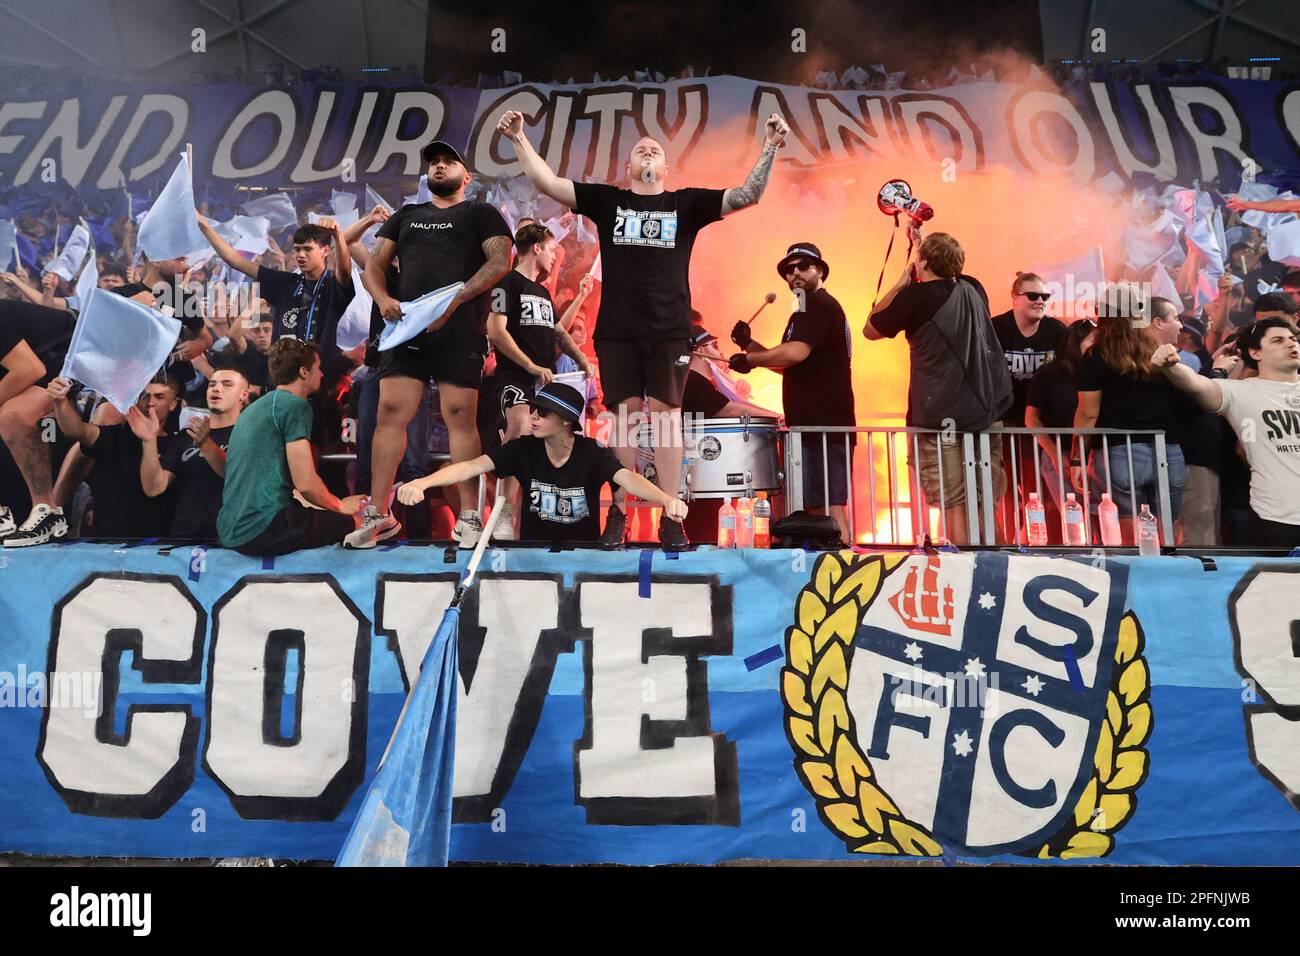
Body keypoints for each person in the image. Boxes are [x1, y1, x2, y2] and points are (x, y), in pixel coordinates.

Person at [499, 108, 790, 550]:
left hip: (669, 330)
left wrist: (770, 146)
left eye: (656, 148)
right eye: (640, 149)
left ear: (666, 169)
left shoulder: (685, 202)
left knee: (668, 421)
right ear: (630, 168)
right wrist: (520, 139)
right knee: (625, 422)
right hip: (617, 331)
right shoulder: (608, 200)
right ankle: (619, 513)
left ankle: (672, 514)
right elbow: (548, 183)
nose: (648, 149)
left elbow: (748, 194)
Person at [347, 139, 513, 550]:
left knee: (460, 416)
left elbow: (500, 261)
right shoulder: (407, 215)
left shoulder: (481, 212)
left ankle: (470, 517)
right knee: (390, 412)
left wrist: (454, 301)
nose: (439, 166)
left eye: (448, 161)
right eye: (434, 162)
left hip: (460, 329)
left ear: (466, 176)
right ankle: (378, 515)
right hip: (406, 328)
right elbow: (375, 265)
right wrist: (384, 300)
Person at [397, 382, 687, 545]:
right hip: (532, 558)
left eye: (543, 413)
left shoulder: (592, 451)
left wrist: (667, 500)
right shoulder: (523, 449)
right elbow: (471, 467)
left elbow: (628, 478)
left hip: (581, 558)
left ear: (566, 421)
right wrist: (423, 482)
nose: (533, 417)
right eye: (534, 410)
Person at [864, 228, 1012, 545]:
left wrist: (902, 282)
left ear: (924, 261)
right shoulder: (974, 288)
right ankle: (997, 571)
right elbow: (946, 273)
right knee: (985, 503)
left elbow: (871, 329)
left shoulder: (915, 297)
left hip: (940, 419)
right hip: (986, 412)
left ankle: (964, 575)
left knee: (954, 503)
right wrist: (922, 245)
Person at [730, 242, 855, 543]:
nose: (795, 273)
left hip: (825, 425)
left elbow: (794, 354)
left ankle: (845, 561)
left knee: (830, 505)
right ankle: (827, 566)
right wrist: (749, 347)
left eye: (803, 266)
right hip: (814, 426)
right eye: (789, 269)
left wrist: (750, 359)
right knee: (817, 506)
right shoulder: (805, 309)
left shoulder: (815, 304)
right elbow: (791, 364)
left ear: (820, 271)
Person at [487, 222, 594, 538]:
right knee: (519, 428)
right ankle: (502, 514)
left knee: (549, 446)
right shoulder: (503, 285)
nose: (553, 256)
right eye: (551, 249)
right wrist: (531, 365)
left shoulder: (544, 292)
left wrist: (580, 356)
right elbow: (495, 330)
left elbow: (557, 330)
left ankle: (536, 519)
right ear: (536, 247)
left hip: (544, 384)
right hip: (515, 376)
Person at [1154, 317, 1300, 547]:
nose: (1291, 344)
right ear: (1255, 352)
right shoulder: (1240, 392)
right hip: (1274, 519)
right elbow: (1195, 384)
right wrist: (1170, 366)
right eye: (1278, 340)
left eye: (1293, 339)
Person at [217, 339, 365, 555]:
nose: (322, 374)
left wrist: (333, 504)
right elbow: (305, 482)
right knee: (359, 524)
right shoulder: (294, 405)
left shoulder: (255, 407)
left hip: (229, 530)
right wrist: (341, 508)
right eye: (318, 368)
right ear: (304, 372)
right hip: (263, 528)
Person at [1070, 286, 1188, 542]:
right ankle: (1169, 576)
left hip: (1120, 450)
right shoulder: (1160, 350)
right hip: (1167, 448)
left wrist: (1077, 459)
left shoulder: (1098, 355)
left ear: (1101, 314)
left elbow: (1088, 413)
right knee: (1170, 527)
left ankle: (1140, 579)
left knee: (1130, 534)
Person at [197, 214, 355, 387]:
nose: (300, 255)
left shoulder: (333, 287)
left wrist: (338, 236)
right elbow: (236, 261)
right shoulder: (285, 283)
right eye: (297, 249)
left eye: (307, 249)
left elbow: (345, 271)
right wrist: (203, 224)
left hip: (319, 381)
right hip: (280, 381)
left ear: (325, 251)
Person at [34, 375, 182, 546]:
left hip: (156, 543)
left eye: (159, 397)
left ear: (173, 404)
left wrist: (149, 440)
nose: (150, 402)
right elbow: (77, 431)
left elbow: (155, 488)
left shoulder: (178, 444)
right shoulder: (115, 436)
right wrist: (60, 401)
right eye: (144, 395)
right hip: (109, 541)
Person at [130, 368, 249, 541]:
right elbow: (154, 488)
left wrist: (206, 445)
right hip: (183, 539)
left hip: (229, 540)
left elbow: (239, 479)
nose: (216, 389)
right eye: (212, 384)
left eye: (227, 384)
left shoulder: (250, 435)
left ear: (243, 395)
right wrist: (149, 441)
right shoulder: (185, 437)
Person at [0, 298, 76, 542]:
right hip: (37, 361)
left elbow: (30, 369)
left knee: (13, 417)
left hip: (69, 354)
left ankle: (47, 511)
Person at [1024, 320, 1095, 533]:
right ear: (1076, 343)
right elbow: (1031, 419)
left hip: (1096, 454)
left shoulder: (1103, 372)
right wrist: (1055, 454)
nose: (1100, 348)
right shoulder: (1050, 373)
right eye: (1094, 341)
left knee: (1101, 517)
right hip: (1061, 453)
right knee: (1075, 521)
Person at [684, 323, 776, 419]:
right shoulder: (693, 381)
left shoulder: (696, 381)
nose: (720, 352)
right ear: (700, 350)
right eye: (715, 346)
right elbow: (730, 410)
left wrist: (741, 395)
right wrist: (778, 417)